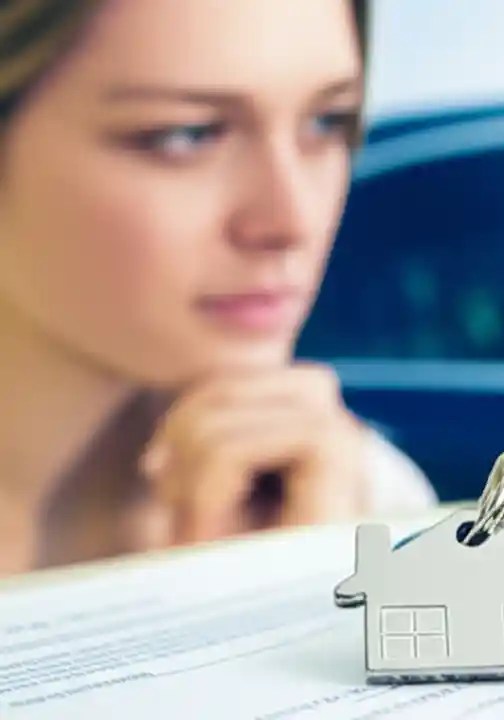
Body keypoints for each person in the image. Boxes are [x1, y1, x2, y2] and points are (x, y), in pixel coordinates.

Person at [0, 0, 436, 577]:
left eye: (327, 122)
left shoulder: (356, 502)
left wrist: (292, 600)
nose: (289, 221)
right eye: (186, 135)